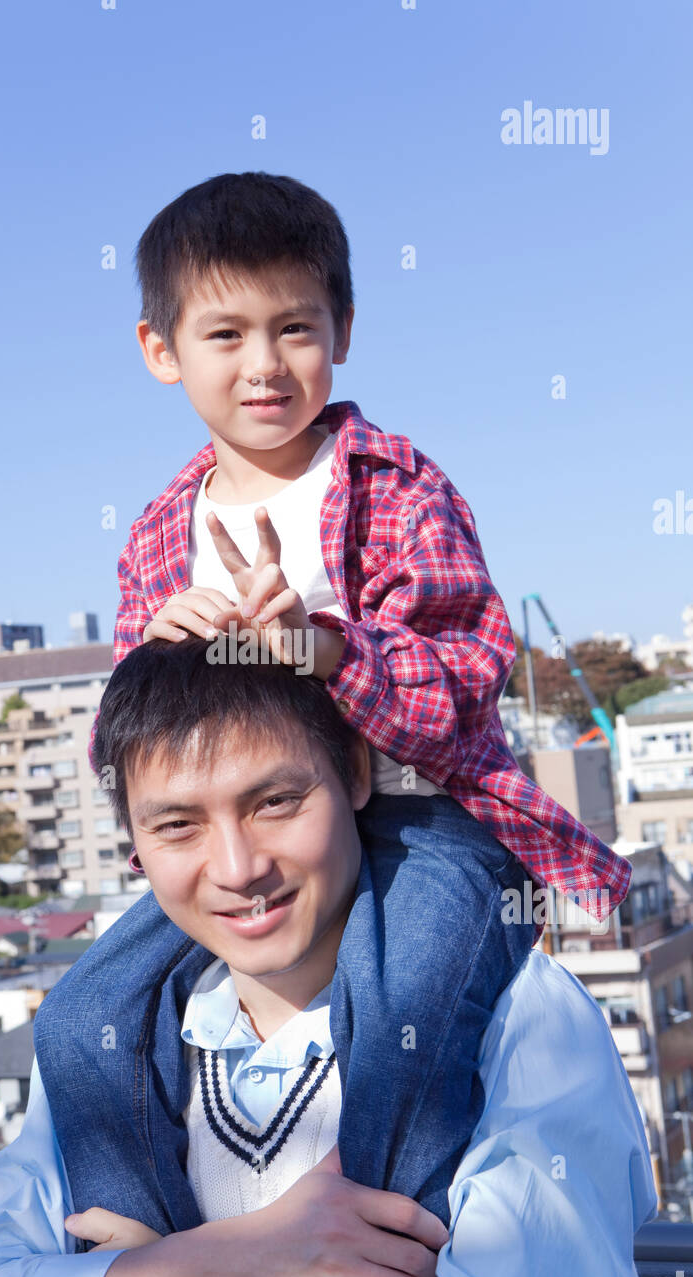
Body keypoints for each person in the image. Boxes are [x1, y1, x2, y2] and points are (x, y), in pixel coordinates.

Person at [83, 170, 632, 1223]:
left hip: (425, 818)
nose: (262, 364)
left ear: (341, 328)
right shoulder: (157, 533)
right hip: (255, 840)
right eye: (224, 334)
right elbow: (128, 747)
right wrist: (148, 664)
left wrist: (326, 648)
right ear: (160, 349)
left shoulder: (396, 485)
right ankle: (144, 1244)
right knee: (81, 1014)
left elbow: (467, 679)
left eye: (293, 327)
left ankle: (383, 1243)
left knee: (407, 1008)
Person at [0, 640, 656, 1277]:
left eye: (276, 802)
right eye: (177, 825)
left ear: (356, 773)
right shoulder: (106, 1043)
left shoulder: (519, 1014)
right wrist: (207, 1268)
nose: (238, 868)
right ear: (133, 842)